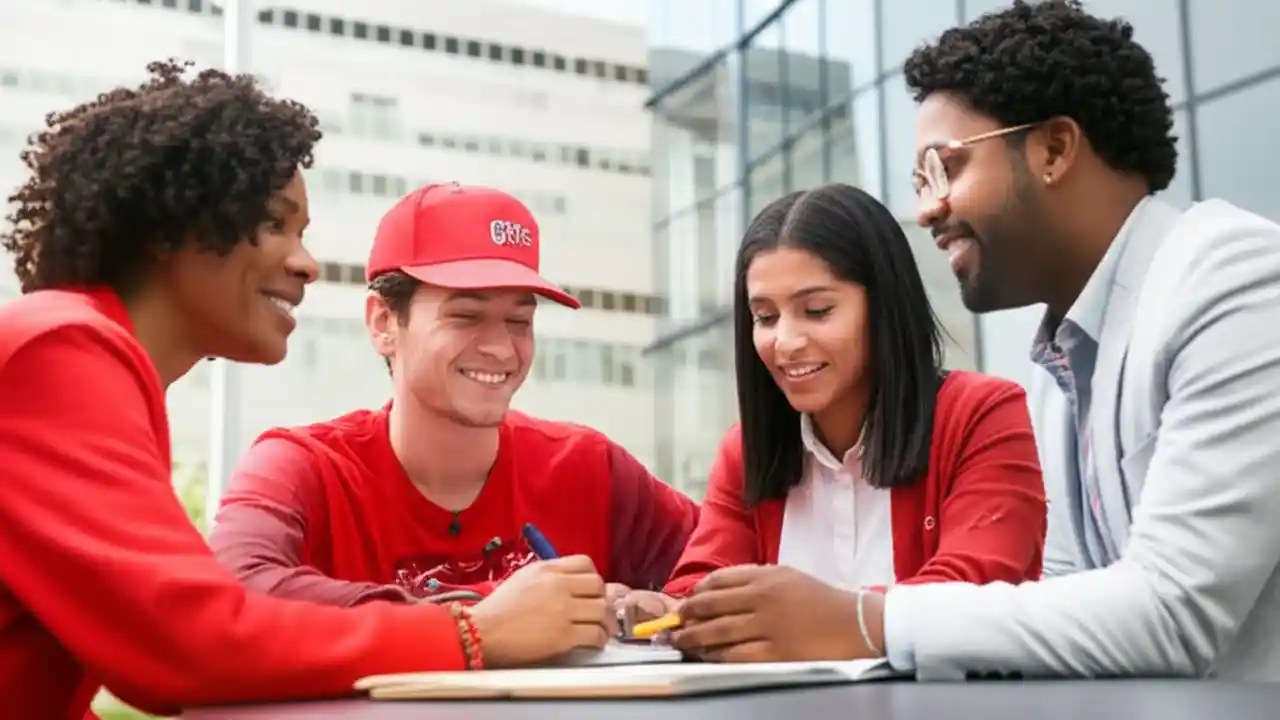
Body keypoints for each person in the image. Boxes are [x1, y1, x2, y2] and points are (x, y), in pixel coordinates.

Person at [0, 60, 611, 719]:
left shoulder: (85, 358)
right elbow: (187, 644)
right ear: (165, 228)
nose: (307, 264)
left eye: (519, 321)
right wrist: (473, 633)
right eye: (275, 224)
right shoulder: (57, 348)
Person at [836, 0, 1280, 680]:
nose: (927, 210)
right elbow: (1069, 597)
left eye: (945, 169)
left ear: (1053, 149)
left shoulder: (1234, 280)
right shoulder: (1062, 363)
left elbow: (1174, 612)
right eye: (921, 182)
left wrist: (866, 621)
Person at [208, 182, 699, 612]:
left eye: (519, 321)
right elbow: (230, 592)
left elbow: (721, 562)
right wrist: (489, 615)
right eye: (465, 316)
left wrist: (670, 607)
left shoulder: (589, 467)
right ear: (383, 322)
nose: (501, 348)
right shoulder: (304, 468)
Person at [622, 183, 1046, 662]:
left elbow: (975, 590)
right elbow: (703, 585)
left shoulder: (980, 415)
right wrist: (666, 609)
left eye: (817, 311)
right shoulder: (745, 451)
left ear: (883, 305)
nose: (785, 342)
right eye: (765, 317)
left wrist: (827, 620)